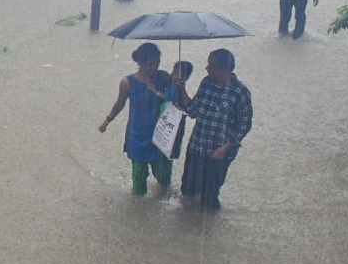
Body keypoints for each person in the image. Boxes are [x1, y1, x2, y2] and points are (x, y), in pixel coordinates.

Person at [178, 49, 253, 210]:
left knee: (209, 199)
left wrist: (224, 149)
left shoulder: (240, 92)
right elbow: (193, 111)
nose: (206, 68)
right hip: (197, 147)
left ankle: (207, 230)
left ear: (222, 70)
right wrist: (182, 90)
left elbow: (244, 125)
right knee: (187, 191)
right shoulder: (206, 83)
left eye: (210, 65)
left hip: (219, 154)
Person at [99, 42, 177, 195]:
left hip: (161, 135)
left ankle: (163, 201)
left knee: (164, 175)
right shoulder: (127, 82)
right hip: (138, 134)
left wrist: (177, 81)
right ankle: (139, 211)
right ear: (140, 63)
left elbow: (174, 96)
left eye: (157, 63)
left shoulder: (163, 77)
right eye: (150, 64)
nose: (154, 67)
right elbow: (120, 104)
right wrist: (107, 121)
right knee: (139, 177)